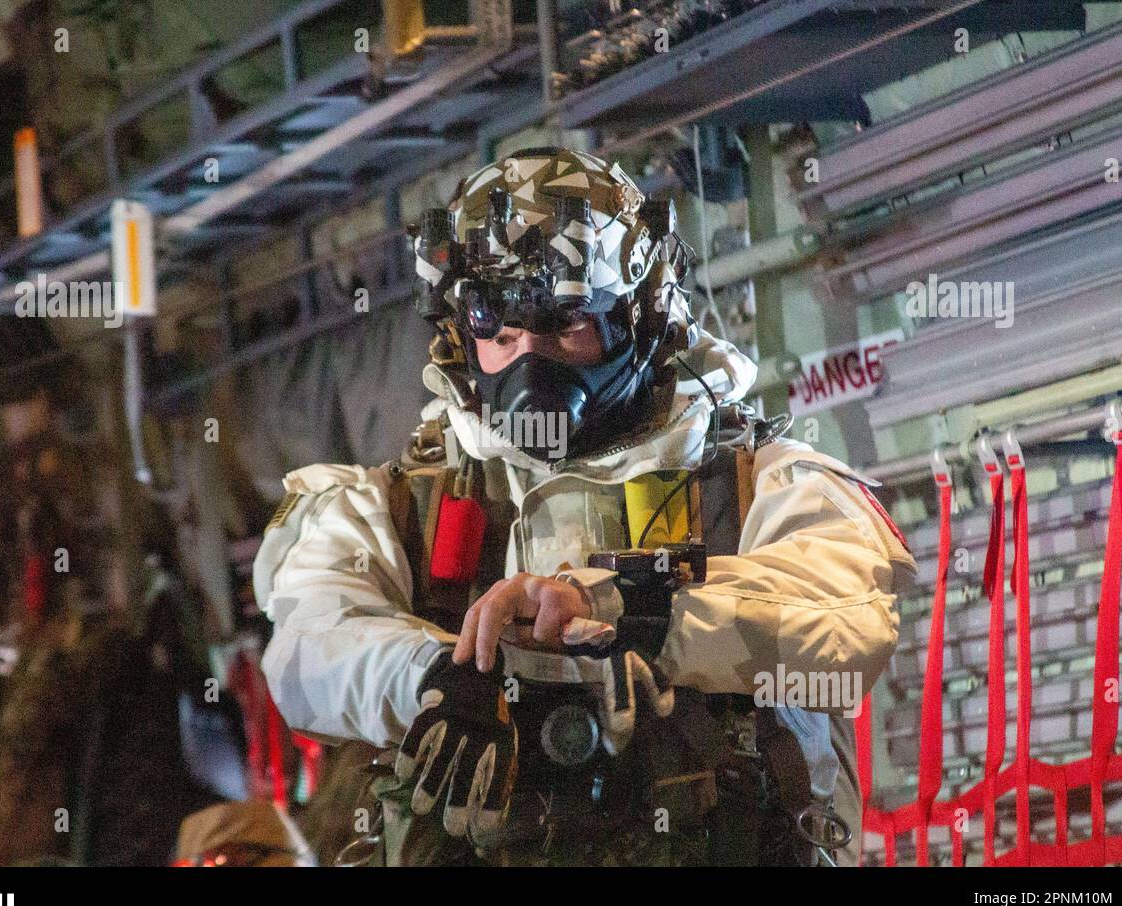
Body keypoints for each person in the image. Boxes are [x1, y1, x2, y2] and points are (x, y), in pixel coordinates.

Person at [254, 146, 916, 865]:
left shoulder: (762, 481)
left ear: (641, 314)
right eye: (503, 336)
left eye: (566, 326)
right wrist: (436, 674)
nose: (531, 365)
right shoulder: (392, 507)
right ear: (460, 334)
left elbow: (851, 623)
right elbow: (307, 648)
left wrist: (633, 608)